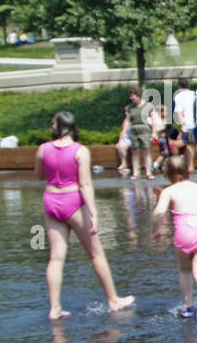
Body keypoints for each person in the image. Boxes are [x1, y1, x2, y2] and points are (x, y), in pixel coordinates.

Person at [35, 112, 136, 320]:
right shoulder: (80, 151)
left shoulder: (43, 149)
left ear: (58, 127)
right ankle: (113, 300)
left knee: (55, 257)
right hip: (73, 202)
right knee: (95, 253)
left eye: (52, 124)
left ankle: (54, 308)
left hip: (51, 201)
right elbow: (85, 184)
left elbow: (39, 175)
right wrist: (94, 212)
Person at [151, 155, 197, 325]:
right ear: (189, 170)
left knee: (185, 271)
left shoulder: (168, 191)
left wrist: (155, 230)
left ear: (166, 174)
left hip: (185, 231)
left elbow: (158, 213)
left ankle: (187, 306)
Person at [173, 78, 197, 172]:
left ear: (179, 86)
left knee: (190, 145)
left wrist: (182, 125)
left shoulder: (179, 96)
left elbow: (179, 112)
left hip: (188, 123)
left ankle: (190, 166)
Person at [126, 89, 154, 180]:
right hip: (134, 129)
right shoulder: (130, 107)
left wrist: (154, 132)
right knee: (135, 152)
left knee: (146, 151)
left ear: (138, 96)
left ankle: (148, 172)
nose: (131, 98)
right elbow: (127, 120)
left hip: (145, 129)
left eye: (132, 96)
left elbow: (152, 119)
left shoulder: (147, 105)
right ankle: (135, 172)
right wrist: (124, 132)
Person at [115, 109, 132, 177]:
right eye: (125, 112)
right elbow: (123, 132)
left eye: (127, 112)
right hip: (128, 139)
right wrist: (119, 142)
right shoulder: (126, 121)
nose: (126, 113)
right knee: (121, 146)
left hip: (136, 138)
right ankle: (123, 163)